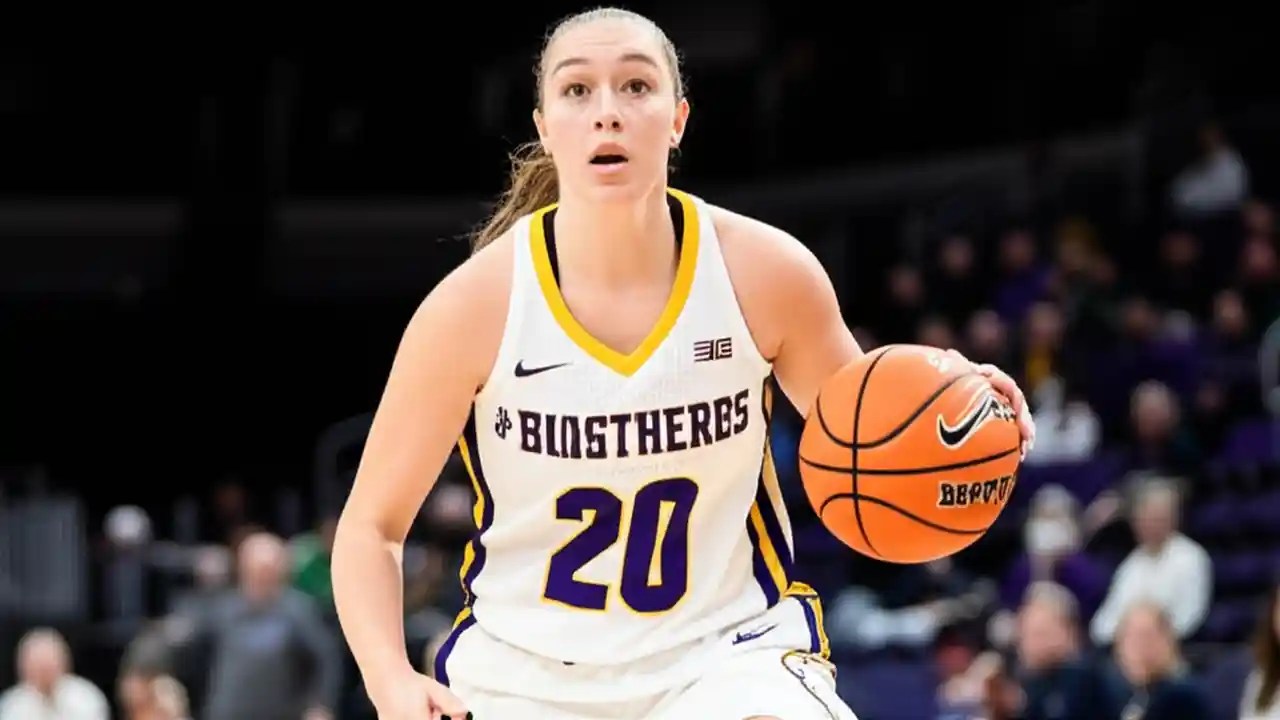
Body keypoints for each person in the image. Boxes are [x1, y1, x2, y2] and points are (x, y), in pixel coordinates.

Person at [330, 7, 1036, 720]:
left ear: (677, 120)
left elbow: (869, 440)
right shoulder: (472, 308)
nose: (608, 112)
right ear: (544, 127)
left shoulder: (766, 274)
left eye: (636, 87)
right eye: (578, 91)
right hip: (524, 674)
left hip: (726, 656)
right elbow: (370, 529)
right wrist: (390, 679)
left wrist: (961, 413)